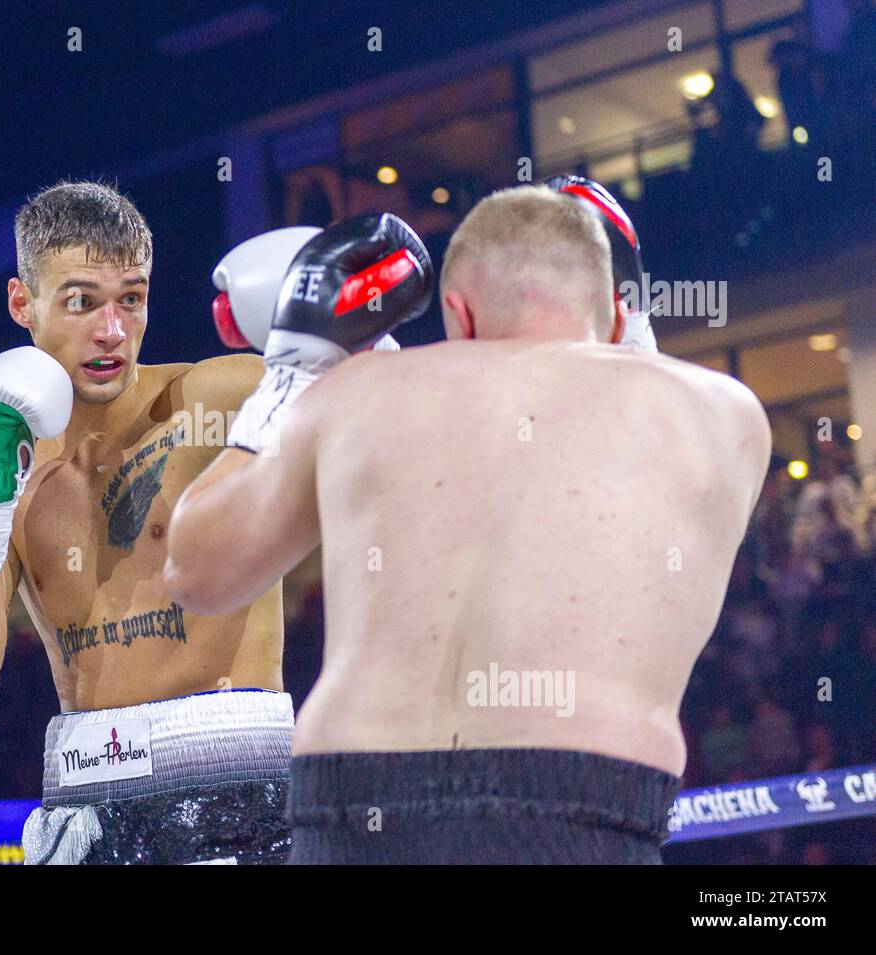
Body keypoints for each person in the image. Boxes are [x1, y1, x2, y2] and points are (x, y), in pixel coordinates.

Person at [165, 185, 771, 863]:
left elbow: (196, 572)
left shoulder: (358, 394)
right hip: (580, 805)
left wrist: (293, 374)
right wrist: (627, 332)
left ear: (457, 311)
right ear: (615, 312)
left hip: (350, 805)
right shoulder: (722, 415)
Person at [0, 181, 317, 864]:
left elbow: (382, 411)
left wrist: (329, 336)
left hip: (240, 804)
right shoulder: (10, 471)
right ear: (23, 303)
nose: (111, 332)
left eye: (130, 299)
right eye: (81, 301)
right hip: (85, 816)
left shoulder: (214, 401)